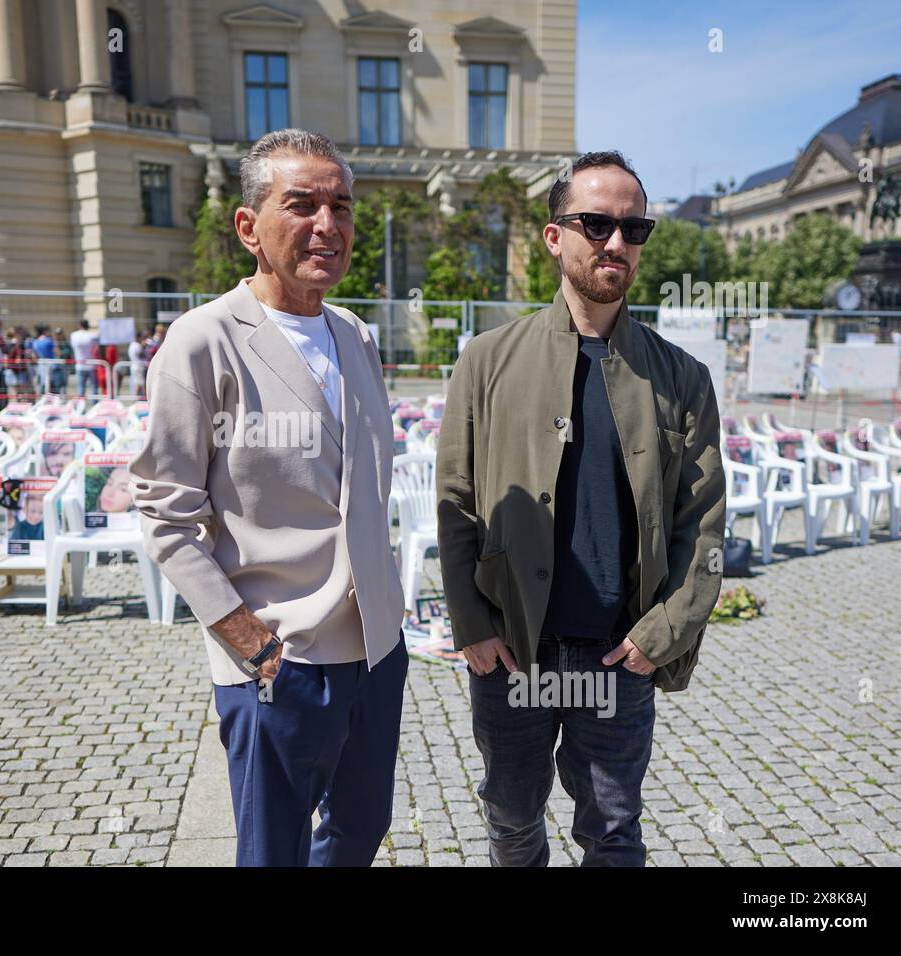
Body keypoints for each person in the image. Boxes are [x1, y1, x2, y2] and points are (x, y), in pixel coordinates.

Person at [435, 150, 725, 868]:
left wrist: (661, 635)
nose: (616, 242)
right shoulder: (488, 360)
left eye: (634, 228)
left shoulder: (681, 377)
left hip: (618, 654)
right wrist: (472, 628)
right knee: (510, 822)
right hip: (513, 652)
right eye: (596, 223)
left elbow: (704, 528)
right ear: (554, 236)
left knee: (614, 834)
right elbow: (455, 502)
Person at [129, 129, 406, 867]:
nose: (329, 225)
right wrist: (247, 639)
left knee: (357, 833)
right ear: (249, 227)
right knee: (273, 853)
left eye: (341, 207)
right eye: (303, 205)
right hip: (278, 659)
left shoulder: (354, 335)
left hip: (375, 651)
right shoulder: (203, 342)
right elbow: (163, 509)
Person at [69, 319, 98, 397]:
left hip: (80, 365)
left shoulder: (74, 335)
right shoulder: (93, 335)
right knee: (94, 389)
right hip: (92, 365)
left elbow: (73, 346)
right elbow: (97, 347)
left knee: (81, 390)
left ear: (80, 325)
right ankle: (94, 407)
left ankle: (81, 407)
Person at [32, 325, 56, 395]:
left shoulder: (35, 342)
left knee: (42, 382)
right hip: (50, 363)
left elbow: (34, 356)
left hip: (40, 363)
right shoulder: (49, 341)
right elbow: (56, 352)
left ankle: (43, 397)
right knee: (50, 383)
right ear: (45, 331)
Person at [127, 329, 147, 398]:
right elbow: (142, 354)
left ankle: (136, 400)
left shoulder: (132, 344)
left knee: (138, 384)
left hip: (134, 366)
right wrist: (143, 346)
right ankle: (143, 400)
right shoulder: (137, 345)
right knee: (141, 384)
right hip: (138, 366)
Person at [50, 328, 69, 395]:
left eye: (60, 334)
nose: (58, 336)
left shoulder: (65, 343)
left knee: (63, 385)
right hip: (55, 367)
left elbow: (68, 352)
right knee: (55, 385)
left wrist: (61, 352)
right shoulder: (52, 343)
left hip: (63, 367)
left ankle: (63, 399)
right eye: (57, 334)